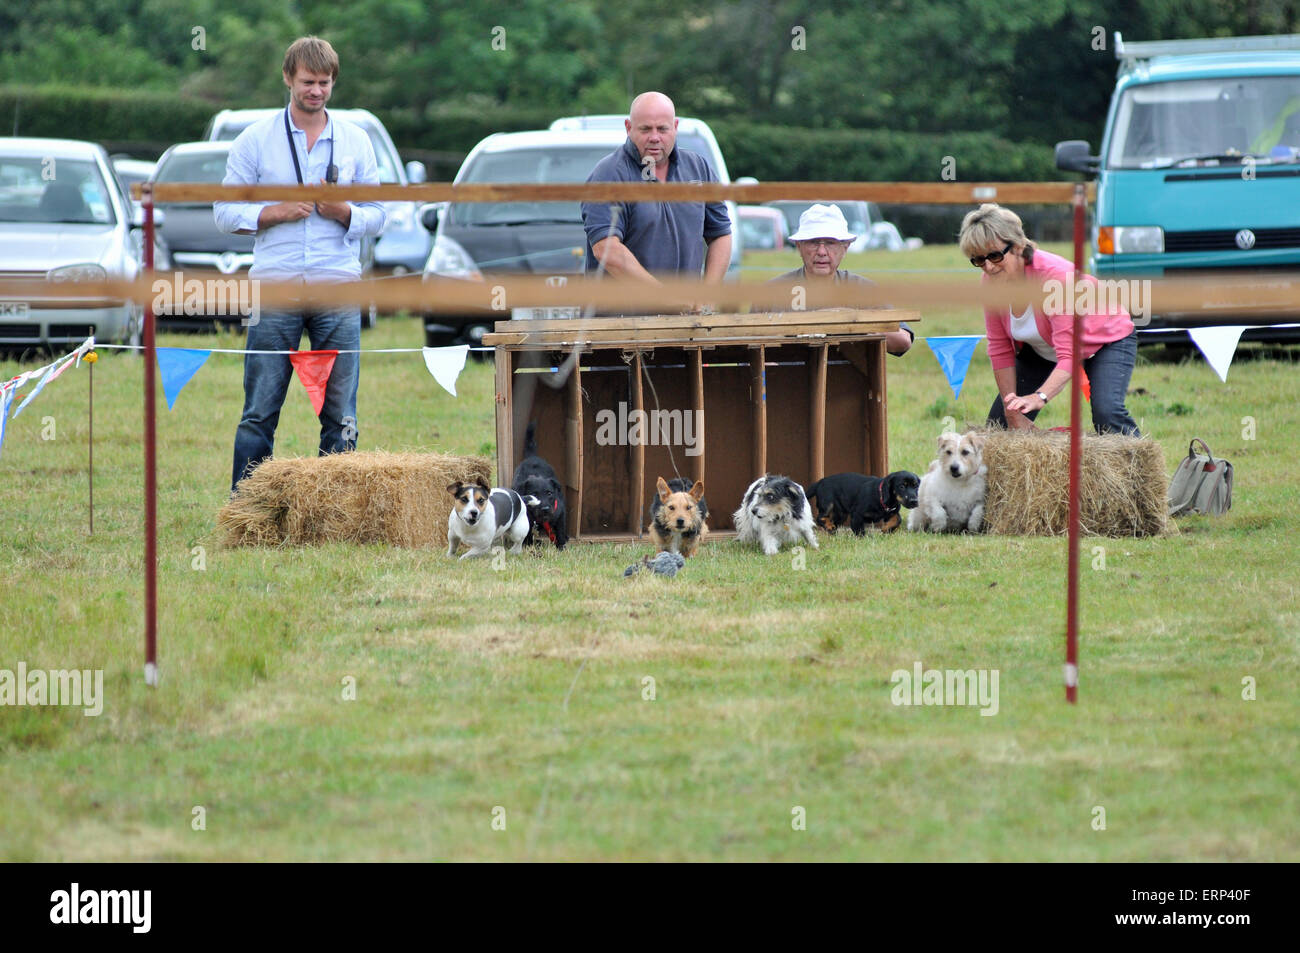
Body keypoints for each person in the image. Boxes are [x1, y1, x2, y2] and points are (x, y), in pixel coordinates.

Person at [215, 36, 386, 493]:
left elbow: (381, 213)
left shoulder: (355, 139)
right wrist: (276, 212)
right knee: (260, 409)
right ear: (288, 78)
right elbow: (224, 212)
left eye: (325, 83)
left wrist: (344, 213)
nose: (317, 91)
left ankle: (336, 508)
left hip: (337, 286)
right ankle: (247, 503)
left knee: (341, 412)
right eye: (308, 82)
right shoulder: (255, 140)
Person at [958, 203, 1139, 435]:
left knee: (1107, 414)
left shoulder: (1055, 279)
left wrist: (1039, 397)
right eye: (978, 260)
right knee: (1002, 425)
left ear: (1017, 246)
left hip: (1106, 342)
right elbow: (1000, 348)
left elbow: (1069, 354)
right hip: (1043, 349)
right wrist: (1011, 407)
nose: (989, 267)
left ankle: (1142, 468)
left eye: (994, 256)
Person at [581, 92, 732, 307]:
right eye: (645, 129)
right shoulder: (609, 174)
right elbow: (606, 249)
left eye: (662, 129)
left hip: (686, 324)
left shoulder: (698, 168)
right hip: (620, 327)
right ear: (628, 127)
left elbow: (721, 234)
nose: (654, 137)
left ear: (675, 126)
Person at [768, 203, 913, 356]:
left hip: (852, 378)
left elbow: (903, 341)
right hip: (787, 377)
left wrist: (853, 324)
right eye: (813, 242)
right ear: (799, 246)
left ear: (845, 247)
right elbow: (749, 346)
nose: (822, 252)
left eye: (830, 243)